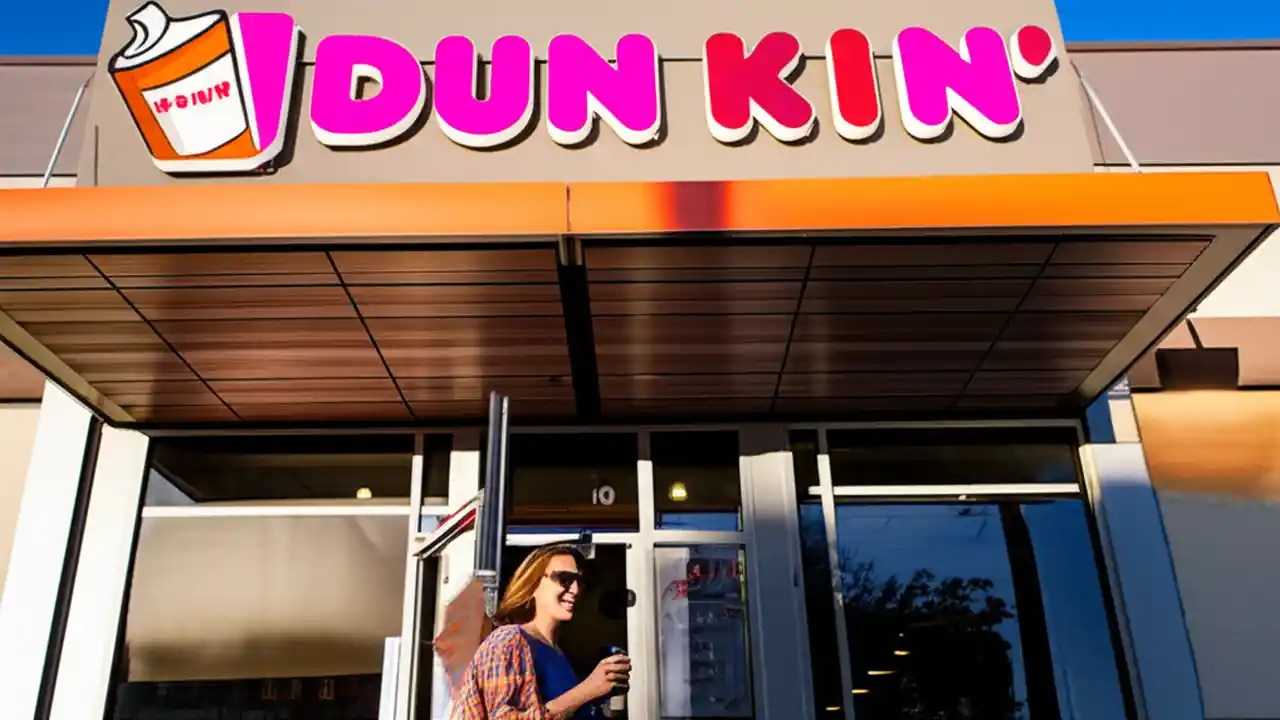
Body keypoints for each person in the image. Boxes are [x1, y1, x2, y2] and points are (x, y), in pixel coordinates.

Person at [452, 544, 632, 719]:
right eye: (565, 579)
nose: (576, 590)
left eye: (581, 582)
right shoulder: (507, 640)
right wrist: (586, 691)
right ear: (534, 584)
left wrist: (599, 696)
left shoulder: (559, 654)